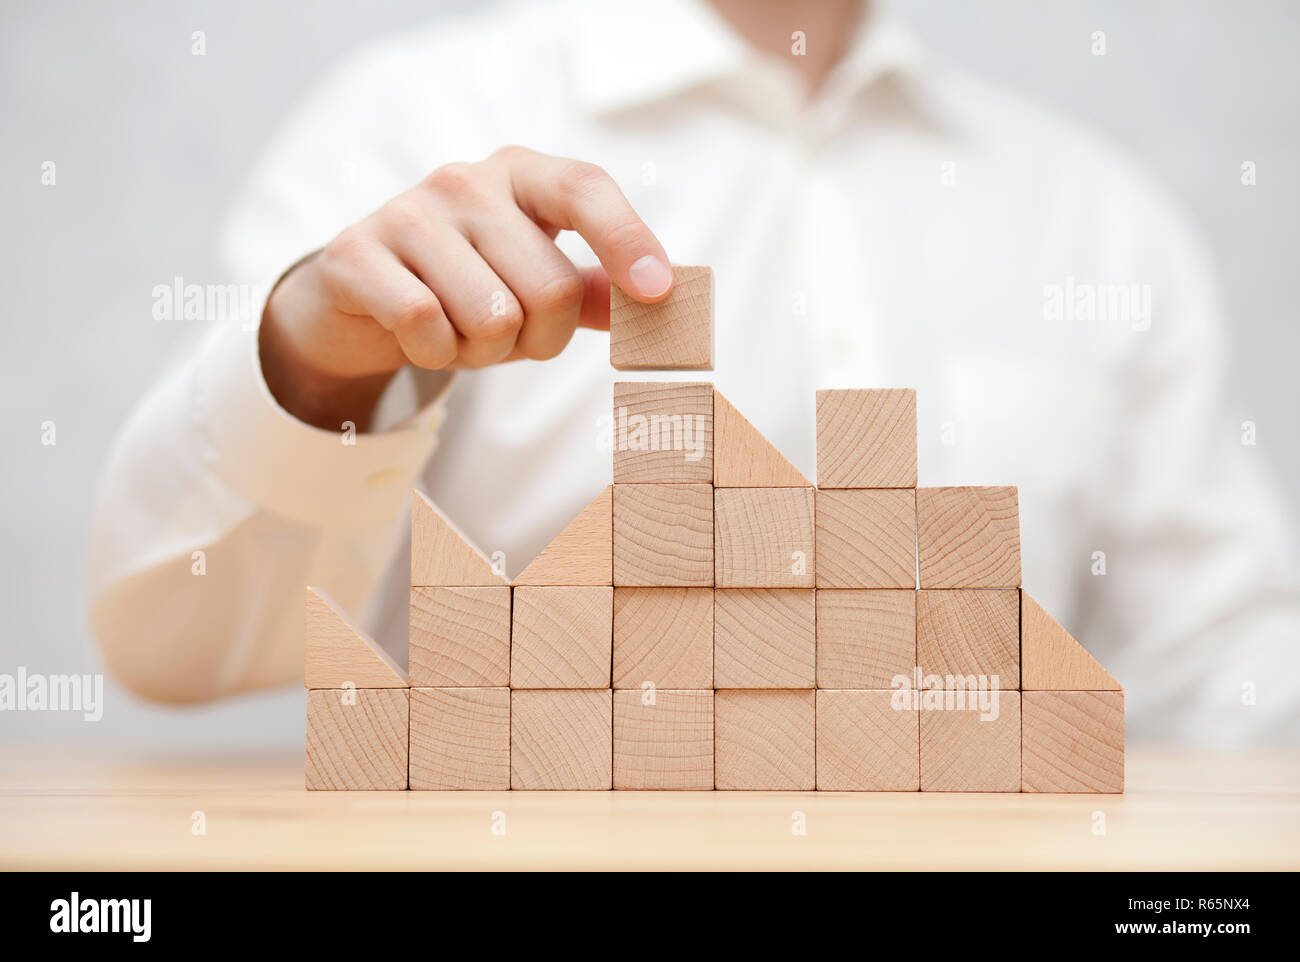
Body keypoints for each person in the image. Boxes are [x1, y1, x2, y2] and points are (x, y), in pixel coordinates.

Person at [88, 0, 1300, 745]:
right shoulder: (410, 121)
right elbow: (177, 646)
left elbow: (1222, 671)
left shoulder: (1095, 216)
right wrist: (314, 366)